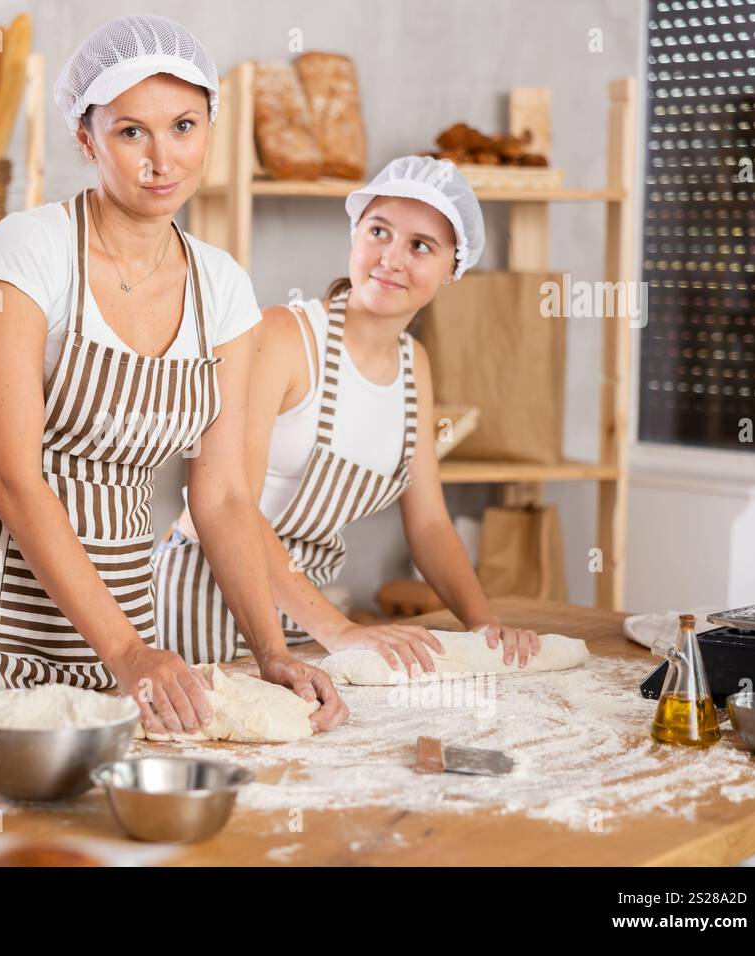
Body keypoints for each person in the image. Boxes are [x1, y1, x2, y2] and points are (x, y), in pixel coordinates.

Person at [0, 15, 347, 736]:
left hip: (127, 637)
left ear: (210, 128)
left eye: (184, 126)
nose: (162, 159)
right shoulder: (31, 251)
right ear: (87, 138)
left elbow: (225, 495)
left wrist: (270, 652)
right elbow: (12, 479)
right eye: (131, 131)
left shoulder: (221, 287)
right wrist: (129, 652)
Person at [153, 156, 542, 675]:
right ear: (355, 235)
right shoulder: (283, 336)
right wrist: (338, 629)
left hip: (305, 610)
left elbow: (428, 523)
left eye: (420, 245)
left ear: (454, 268)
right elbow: (231, 502)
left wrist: (482, 624)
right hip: (203, 595)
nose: (391, 258)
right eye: (378, 231)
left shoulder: (413, 364)